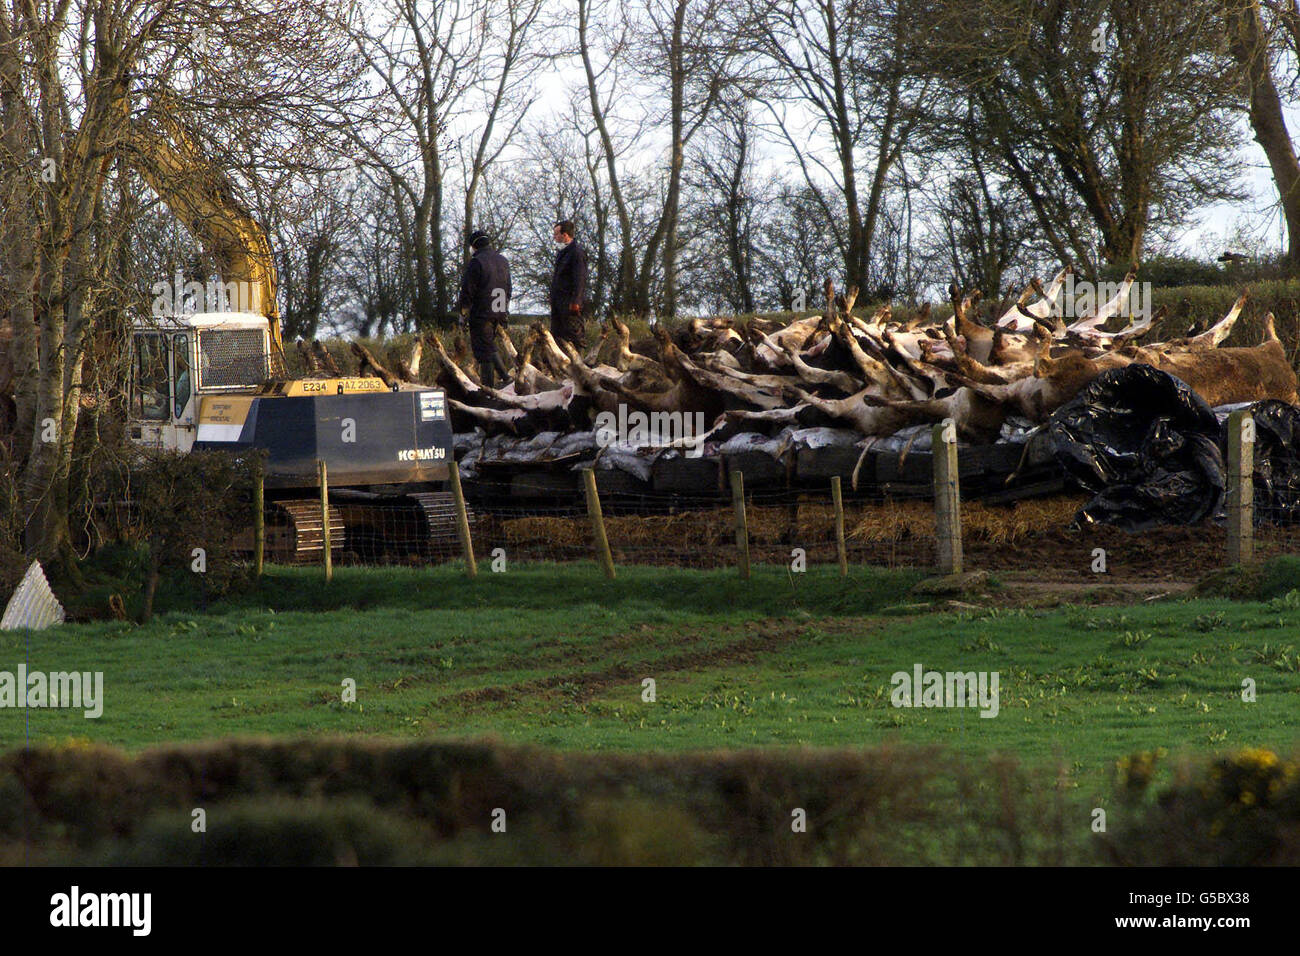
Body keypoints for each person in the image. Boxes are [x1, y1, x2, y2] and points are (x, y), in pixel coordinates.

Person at [456, 229, 512, 387]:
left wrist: (463, 313)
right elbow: (508, 288)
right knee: (488, 345)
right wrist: (503, 312)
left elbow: (468, 289)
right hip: (498, 310)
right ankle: (505, 377)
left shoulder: (477, 261)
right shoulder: (503, 260)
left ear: (474, 245)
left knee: (483, 353)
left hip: (482, 312)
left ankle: (488, 389)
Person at [549, 219, 588, 349]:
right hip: (558, 303)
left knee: (574, 337)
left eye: (556, 234)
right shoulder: (562, 253)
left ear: (565, 235)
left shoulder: (576, 253)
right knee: (557, 338)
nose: (554, 238)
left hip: (569, 304)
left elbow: (580, 278)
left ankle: (578, 366)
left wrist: (576, 301)